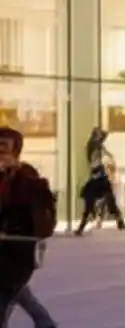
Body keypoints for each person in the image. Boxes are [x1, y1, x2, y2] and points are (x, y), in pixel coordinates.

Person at [0, 127, 56, 328]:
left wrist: (17, 172)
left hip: (18, 251)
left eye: (4, 146)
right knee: (16, 291)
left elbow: (39, 210)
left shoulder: (27, 178)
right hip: (4, 252)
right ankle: (44, 322)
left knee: (6, 293)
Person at [74, 128, 125, 236]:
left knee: (107, 201)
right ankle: (83, 226)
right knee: (95, 201)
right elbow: (97, 154)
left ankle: (119, 221)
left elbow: (102, 143)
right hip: (97, 177)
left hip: (99, 177)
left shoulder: (96, 146)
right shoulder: (93, 147)